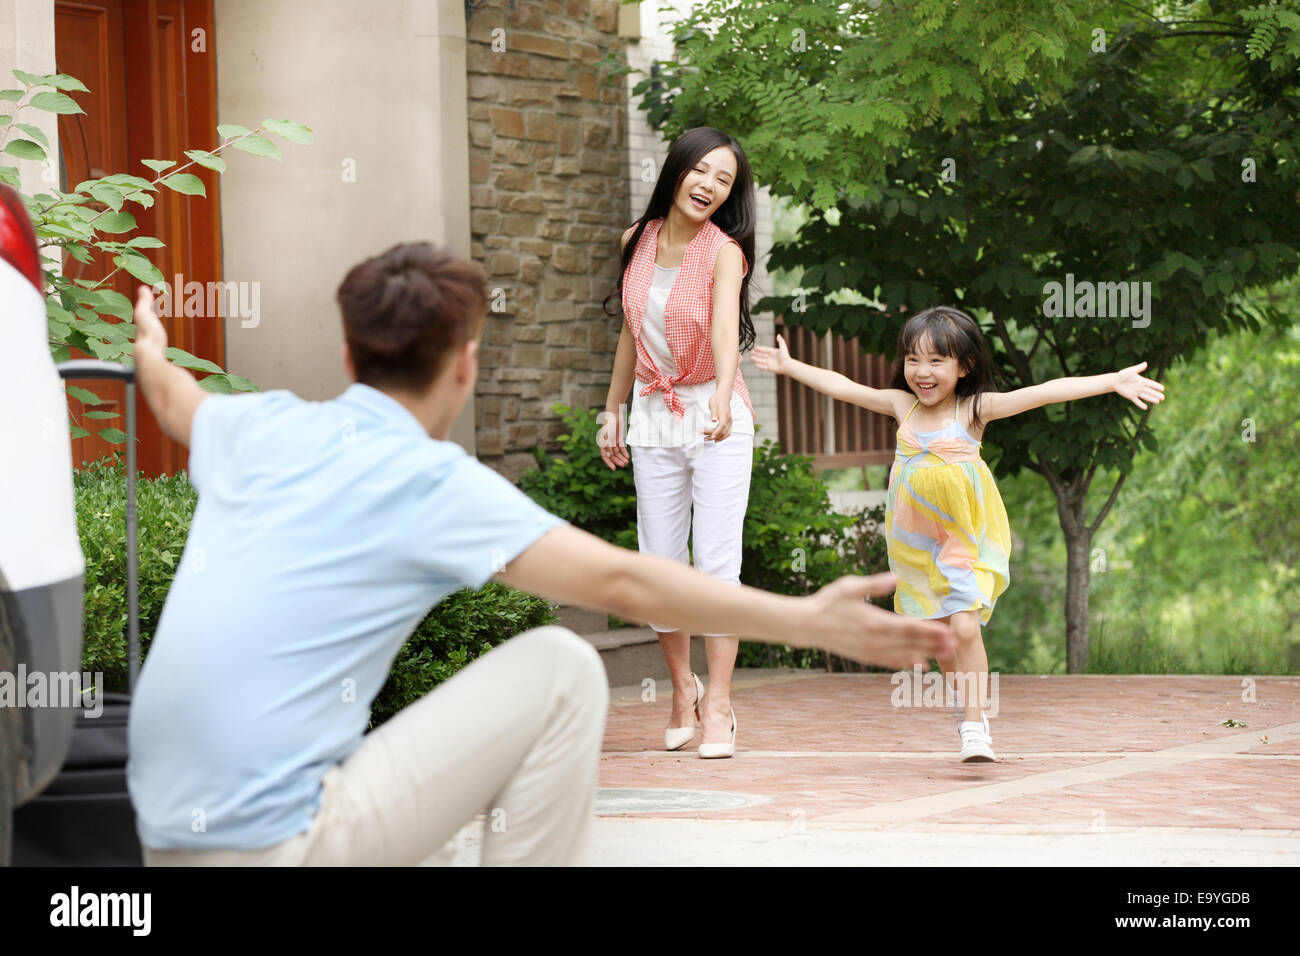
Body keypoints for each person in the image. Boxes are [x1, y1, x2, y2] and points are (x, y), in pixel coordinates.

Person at [125, 242, 954, 867]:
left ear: (348, 358)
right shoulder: (431, 483)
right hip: (280, 846)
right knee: (560, 667)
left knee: (460, 842)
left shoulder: (258, 424)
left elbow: (170, 396)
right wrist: (807, 619)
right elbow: (624, 578)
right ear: (466, 366)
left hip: (163, 838)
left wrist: (149, 343)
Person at [750, 305, 1166, 762]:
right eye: (913, 359)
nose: (921, 372)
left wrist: (1111, 381)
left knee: (965, 627)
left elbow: (1044, 391)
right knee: (940, 636)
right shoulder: (900, 405)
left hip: (964, 538)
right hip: (913, 543)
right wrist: (791, 367)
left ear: (964, 366)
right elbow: (846, 388)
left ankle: (974, 726)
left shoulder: (974, 410)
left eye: (936, 361)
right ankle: (966, 704)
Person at [599, 126, 758, 758]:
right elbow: (630, 334)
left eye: (725, 181)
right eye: (703, 172)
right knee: (661, 563)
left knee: (716, 563)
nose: (711, 187)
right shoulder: (634, 240)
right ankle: (681, 691)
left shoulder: (725, 252)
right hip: (652, 410)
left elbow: (724, 326)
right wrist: (612, 410)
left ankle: (719, 706)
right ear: (677, 170)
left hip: (714, 412)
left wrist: (722, 390)